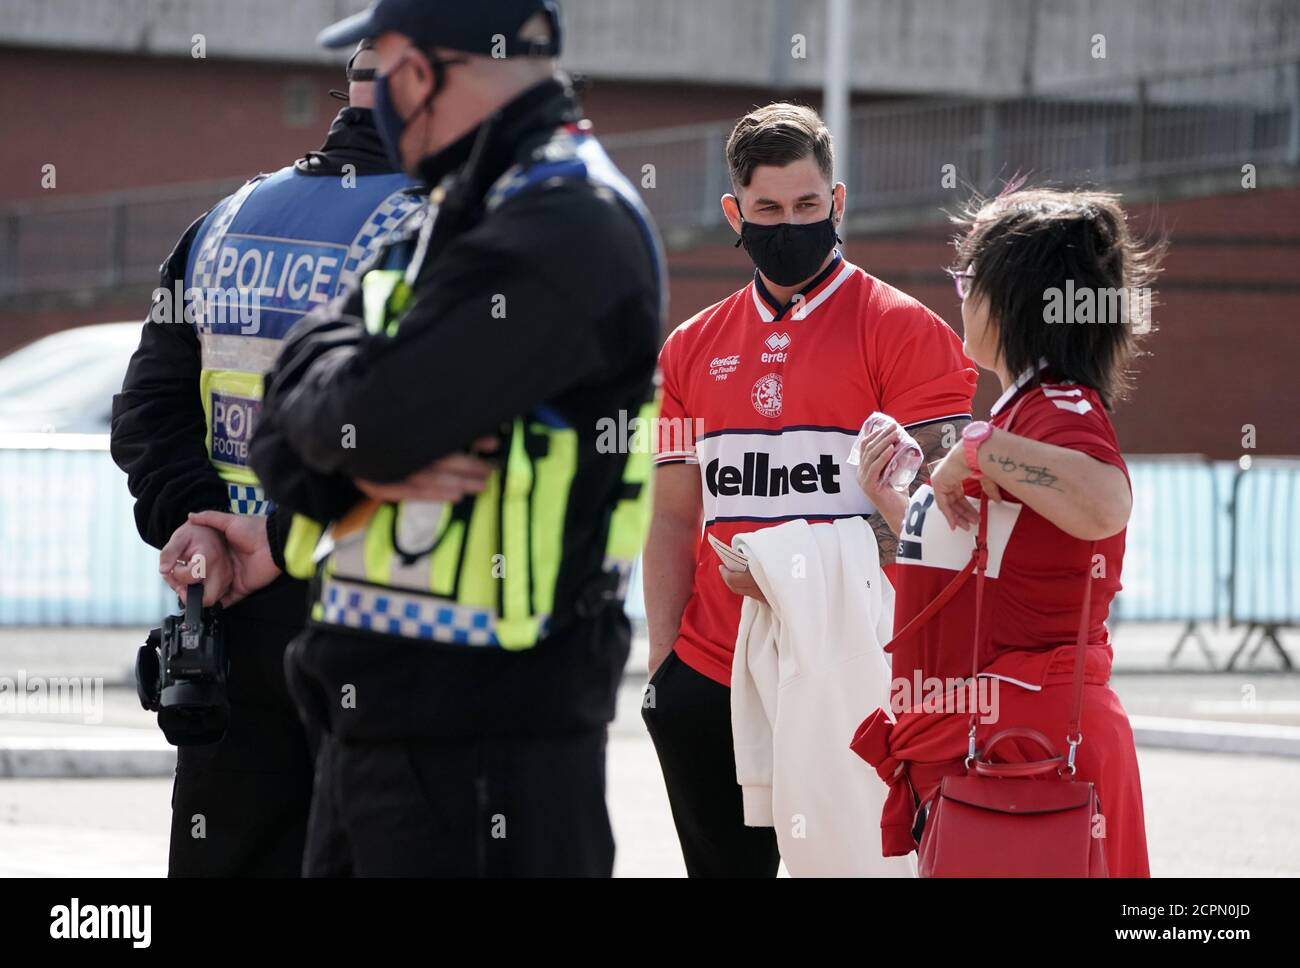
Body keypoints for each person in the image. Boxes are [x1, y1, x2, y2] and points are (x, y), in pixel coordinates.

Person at [234, 0, 663, 877]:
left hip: (487, 749)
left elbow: (377, 422)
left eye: (383, 66)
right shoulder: (458, 205)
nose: (371, 97)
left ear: (429, 70)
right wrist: (339, 435)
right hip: (379, 725)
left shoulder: (566, 223)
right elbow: (287, 427)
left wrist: (343, 428)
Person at [109, 41, 422, 876]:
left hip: (229, 616)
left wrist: (198, 523)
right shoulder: (433, 228)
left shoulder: (225, 221)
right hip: (378, 613)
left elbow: (147, 410)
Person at [642, 102, 977, 877]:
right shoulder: (688, 349)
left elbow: (941, 521)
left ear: (838, 202)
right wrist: (665, 665)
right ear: (735, 211)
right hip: (711, 669)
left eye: (807, 206)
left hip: (854, 669)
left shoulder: (908, 331)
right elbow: (670, 518)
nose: (788, 222)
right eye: (767, 209)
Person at [853, 187, 1158, 876]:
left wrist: (983, 448)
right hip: (1005, 753)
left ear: (1010, 297)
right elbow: (984, 577)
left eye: (969, 277)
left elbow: (1106, 501)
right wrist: (899, 503)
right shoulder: (1030, 406)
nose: (961, 293)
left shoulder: (1055, 406)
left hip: (1031, 758)